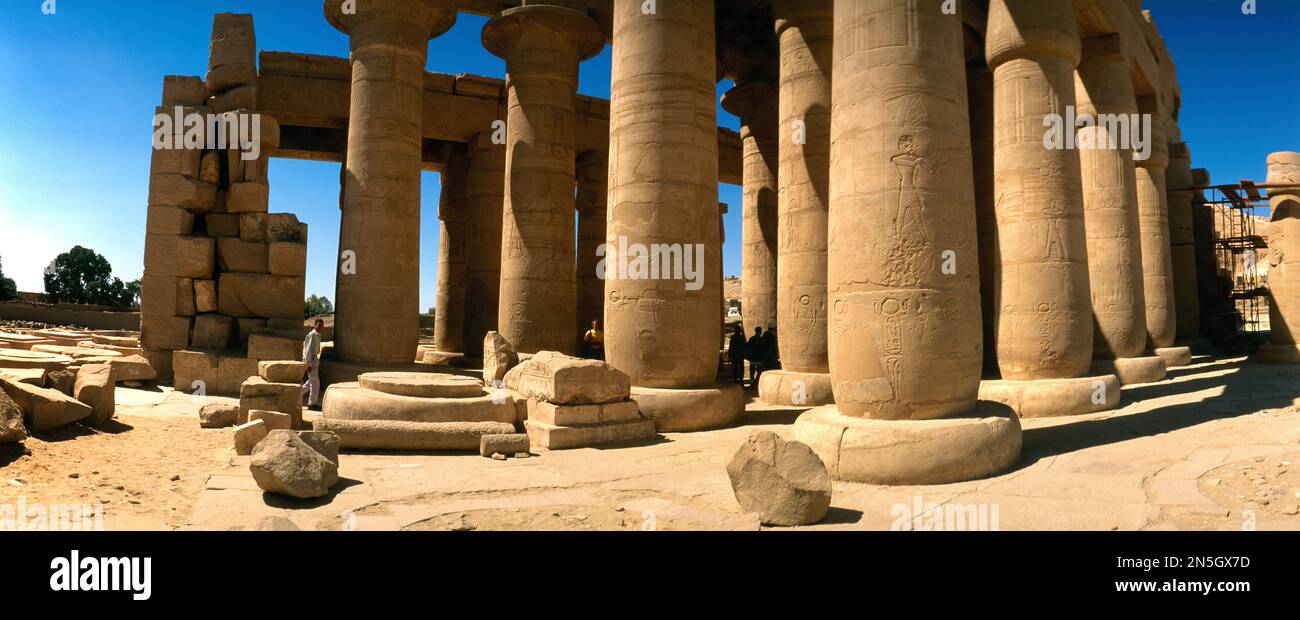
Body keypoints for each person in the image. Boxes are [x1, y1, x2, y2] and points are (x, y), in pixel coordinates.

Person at [302, 319, 324, 409]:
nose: (320, 327)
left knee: (310, 382)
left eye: (321, 325)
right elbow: (307, 351)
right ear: (315, 325)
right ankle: (312, 404)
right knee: (315, 383)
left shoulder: (318, 335)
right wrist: (308, 364)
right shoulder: (312, 335)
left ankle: (296, 394)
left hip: (314, 359)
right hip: (311, 359)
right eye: (318, 325)